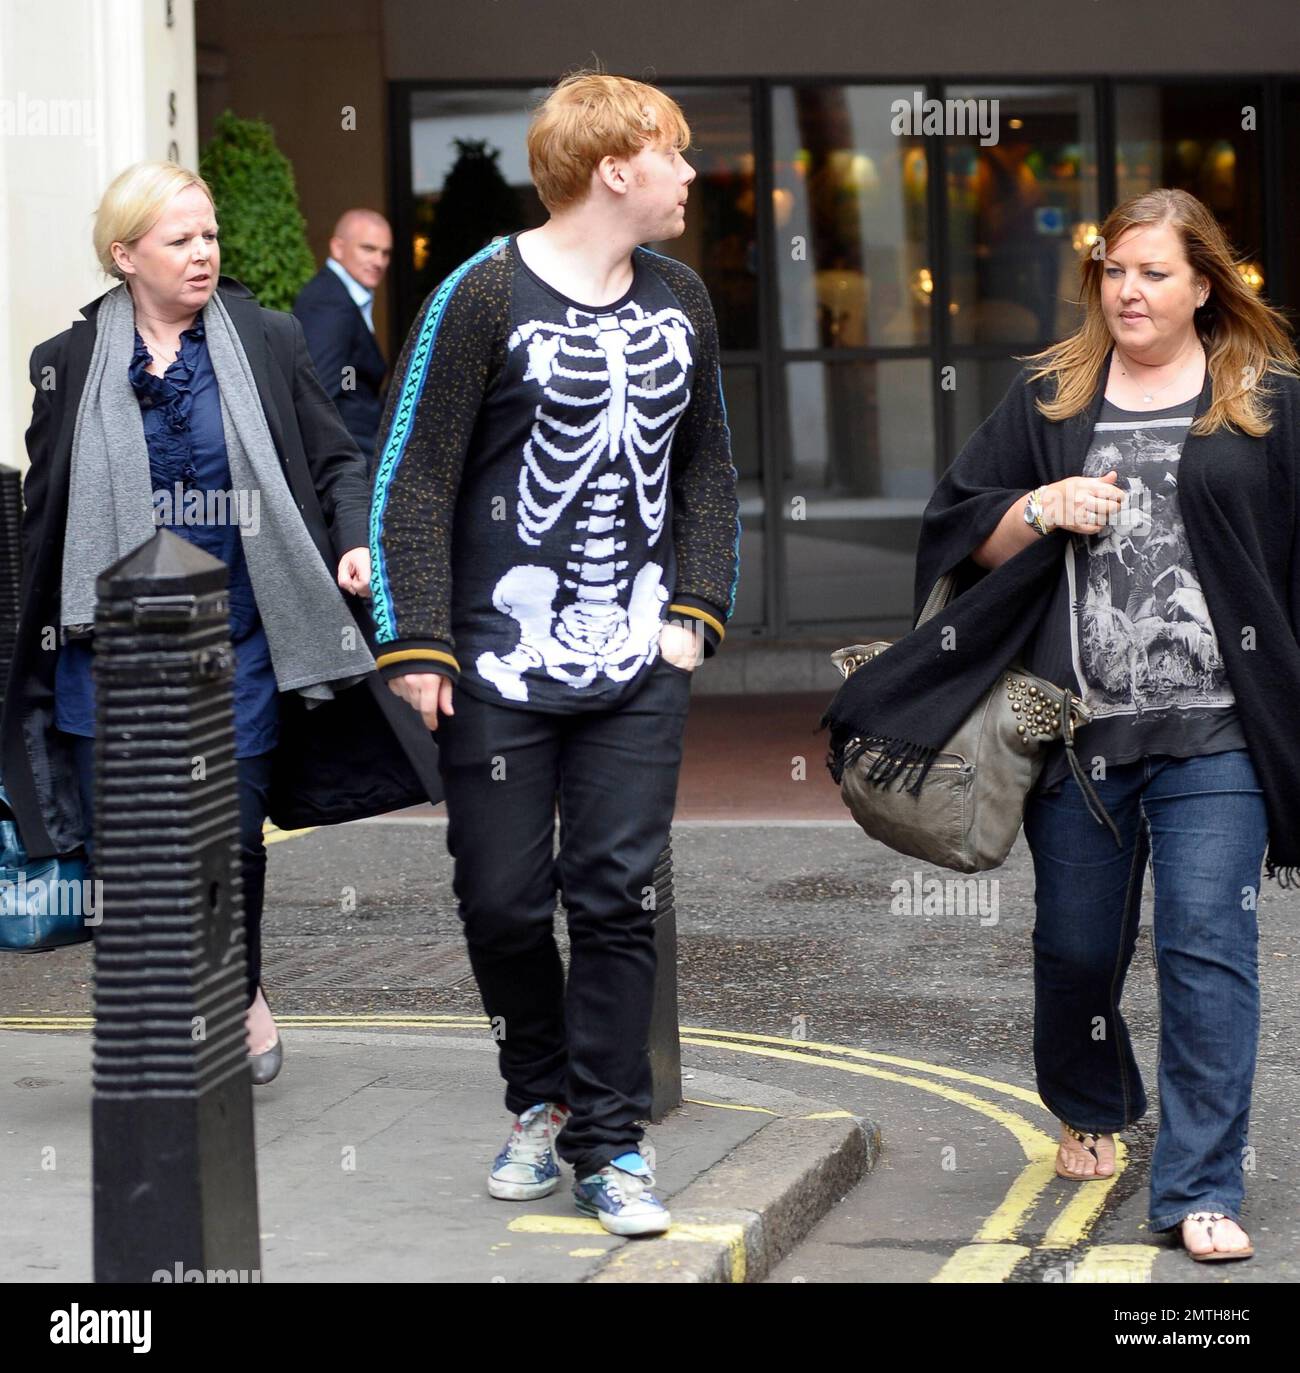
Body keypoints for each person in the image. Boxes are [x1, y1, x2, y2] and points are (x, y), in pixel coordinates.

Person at [822, 187, 1300, 1263]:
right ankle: (1092, 1095)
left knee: (1206, 947)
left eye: (1154, 273)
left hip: (1215, 735)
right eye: (1114, 271)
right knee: (1076, 948)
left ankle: (1198, 1186)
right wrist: (1039, 509)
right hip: (1072, 731)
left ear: (1204, 284)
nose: (1128, 291)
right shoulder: (1048, 397)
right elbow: (957, 527)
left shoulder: (1263, 402)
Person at [369, 71, 740, 1236]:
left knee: (616, 893)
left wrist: (695, 606)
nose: (691, 174)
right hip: (496, 658)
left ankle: (609, 1141)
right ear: (615, 166)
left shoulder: (681, 296)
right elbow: (410, 475)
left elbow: (710, 467)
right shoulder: (478, 294)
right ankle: (540, 1092)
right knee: (503, 898)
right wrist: (416, 638)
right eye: (674, 153)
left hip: (637, 662)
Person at [0, 162, 440, 1084]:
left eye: (209, 237)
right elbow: (45, 514)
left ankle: (235, 987)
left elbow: (335, 459)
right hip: (109, 652)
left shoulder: (264, 338)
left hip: (236, 640)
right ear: (125, 256)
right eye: (179, 240)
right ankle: (157, 1028)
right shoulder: (69, 362)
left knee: (231, 841)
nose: (203, 254)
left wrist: (352, 543)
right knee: (123, 849)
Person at [293, 210, 393, 473]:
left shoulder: (343, 294)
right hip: (349, 466)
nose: (379, 261)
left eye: (385, 253)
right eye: (368, 249)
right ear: (338, 248)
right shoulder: (329, 302)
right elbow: (319, 393)